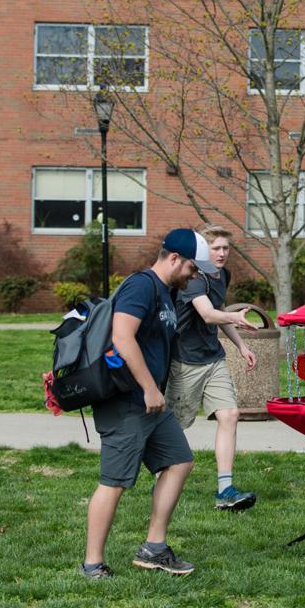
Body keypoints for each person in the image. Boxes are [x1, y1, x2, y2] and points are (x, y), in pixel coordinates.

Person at [81, 228, 216, 579]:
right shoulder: (141, 286)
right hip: (127, 399)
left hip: (150, 404)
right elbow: (122, 336)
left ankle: (154, 548)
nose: (195, 275)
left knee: (179, 461)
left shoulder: (165, 292)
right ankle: (92, 564)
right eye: (192, 268)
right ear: (174, 259)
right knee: (115, 481)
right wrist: (148, 388)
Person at [166, 224, 259, 511]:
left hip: (213, 358)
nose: (221, 253)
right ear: (205, 251)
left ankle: (225, 490)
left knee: (230, 414)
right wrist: (236, 319)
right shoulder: (195, 277)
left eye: (226, 248)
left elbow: (220, 315)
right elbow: (207, 314)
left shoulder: (223, 275)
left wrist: (241, 346)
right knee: (174, 425)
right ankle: (162, 476)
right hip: (184, 360)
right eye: (216, 248)